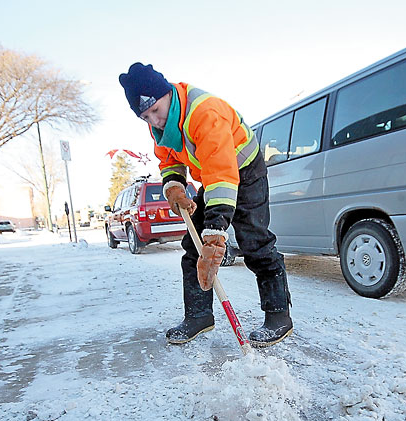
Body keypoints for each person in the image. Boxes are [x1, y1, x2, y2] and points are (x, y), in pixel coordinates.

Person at [119, 62, 293, 347]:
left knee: (254, 242)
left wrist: (216, 229)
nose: (153, 120)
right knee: (194, 246)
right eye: (145, 116)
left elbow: (222, 175)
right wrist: (174, 185)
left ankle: (278, 316)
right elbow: (169, 158)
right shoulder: (162, 126)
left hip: (245, 171)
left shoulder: (204, 112)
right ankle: (198, 316)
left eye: (155, 111)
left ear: (167, 95)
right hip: (214, 178)